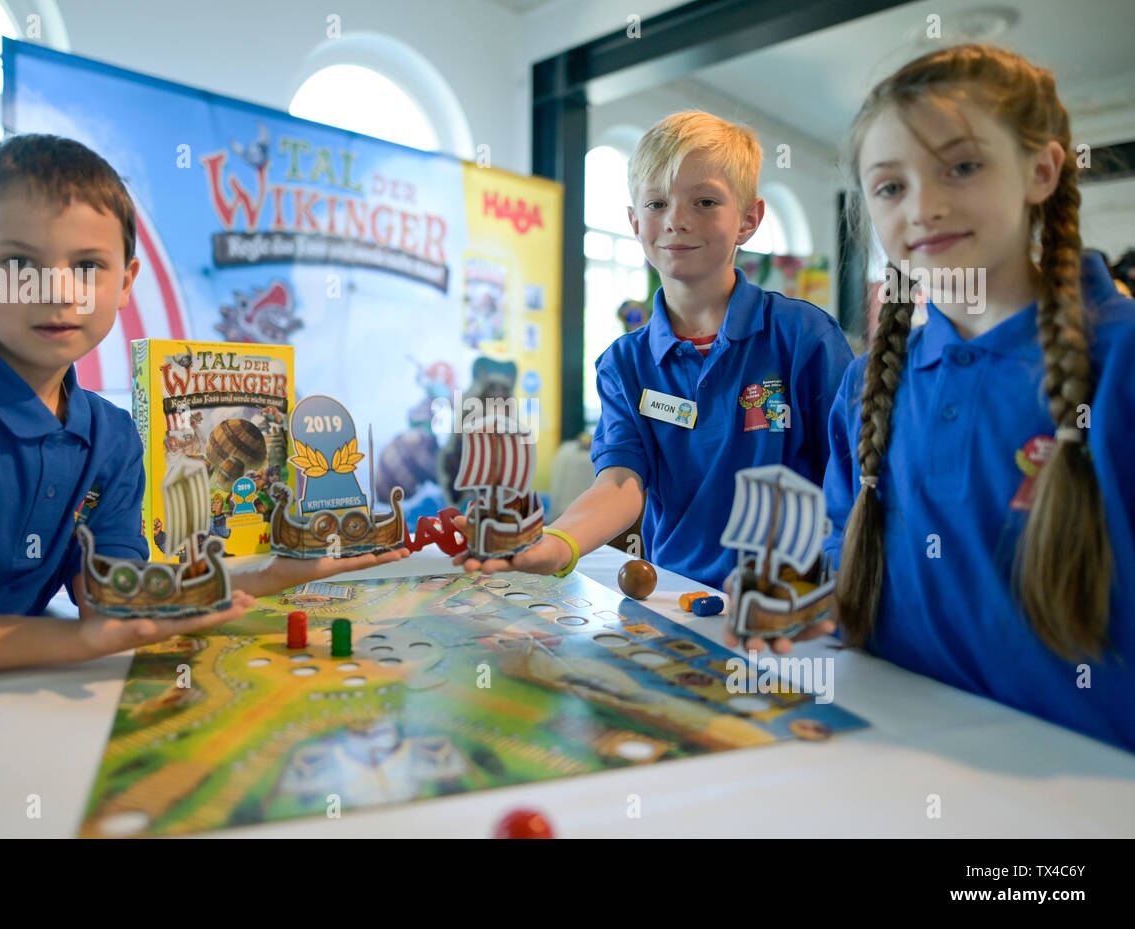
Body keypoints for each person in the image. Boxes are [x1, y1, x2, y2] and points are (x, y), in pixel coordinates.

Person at [0, 134, 405, 784]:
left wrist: (275, 570)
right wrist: (82, 642)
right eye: (19, 263)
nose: (58, 291)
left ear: (126, 280)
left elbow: (116, 602)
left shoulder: (110, 435)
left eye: (87, 266)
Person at [747, 45, 1135, 750]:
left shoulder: (1122, 357)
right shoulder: (868, 385)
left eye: (961, 166)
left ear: (1042, 171)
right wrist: (804, 599)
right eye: (890, 187)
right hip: (893, 759)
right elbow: (846, 552)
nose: (925, 206)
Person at [457, 111, 852, 589]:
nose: (677, 221)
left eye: (705, 201)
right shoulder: (625, 364)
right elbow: (621, 484)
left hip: (793, 601)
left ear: (749, 219)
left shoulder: (803, 336)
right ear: (633, 220)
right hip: (675, 597)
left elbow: (852, 474)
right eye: (657, 203)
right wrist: (559, 542)